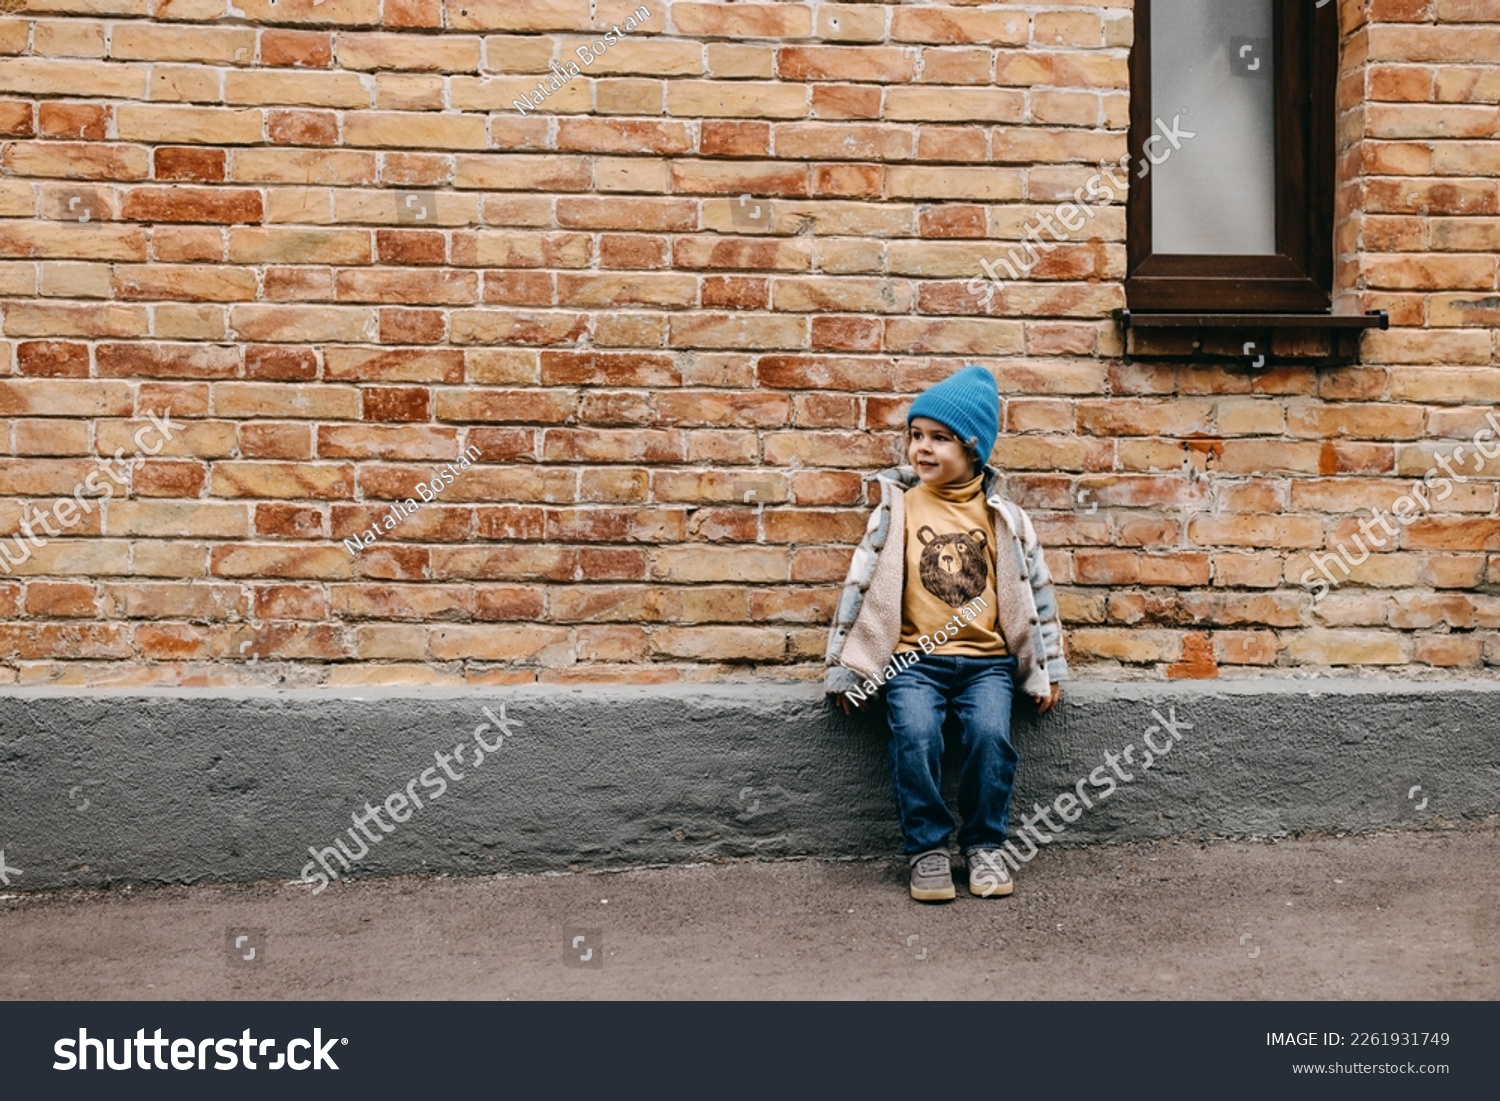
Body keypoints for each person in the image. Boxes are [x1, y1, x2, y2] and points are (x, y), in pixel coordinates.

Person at [823, 365, 1068, 902]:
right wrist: (850, 669)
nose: (921, 449)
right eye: (915, 436)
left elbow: (1037, 597)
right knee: (914, 737)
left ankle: (985, 845)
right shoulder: (898, 511)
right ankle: (927, 850)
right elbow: (861, 588)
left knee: (991, 739)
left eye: (940, 438)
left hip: (987, 665)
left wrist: (1047, 668)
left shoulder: (1005, 517)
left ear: (974, 449)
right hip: (912, 662)